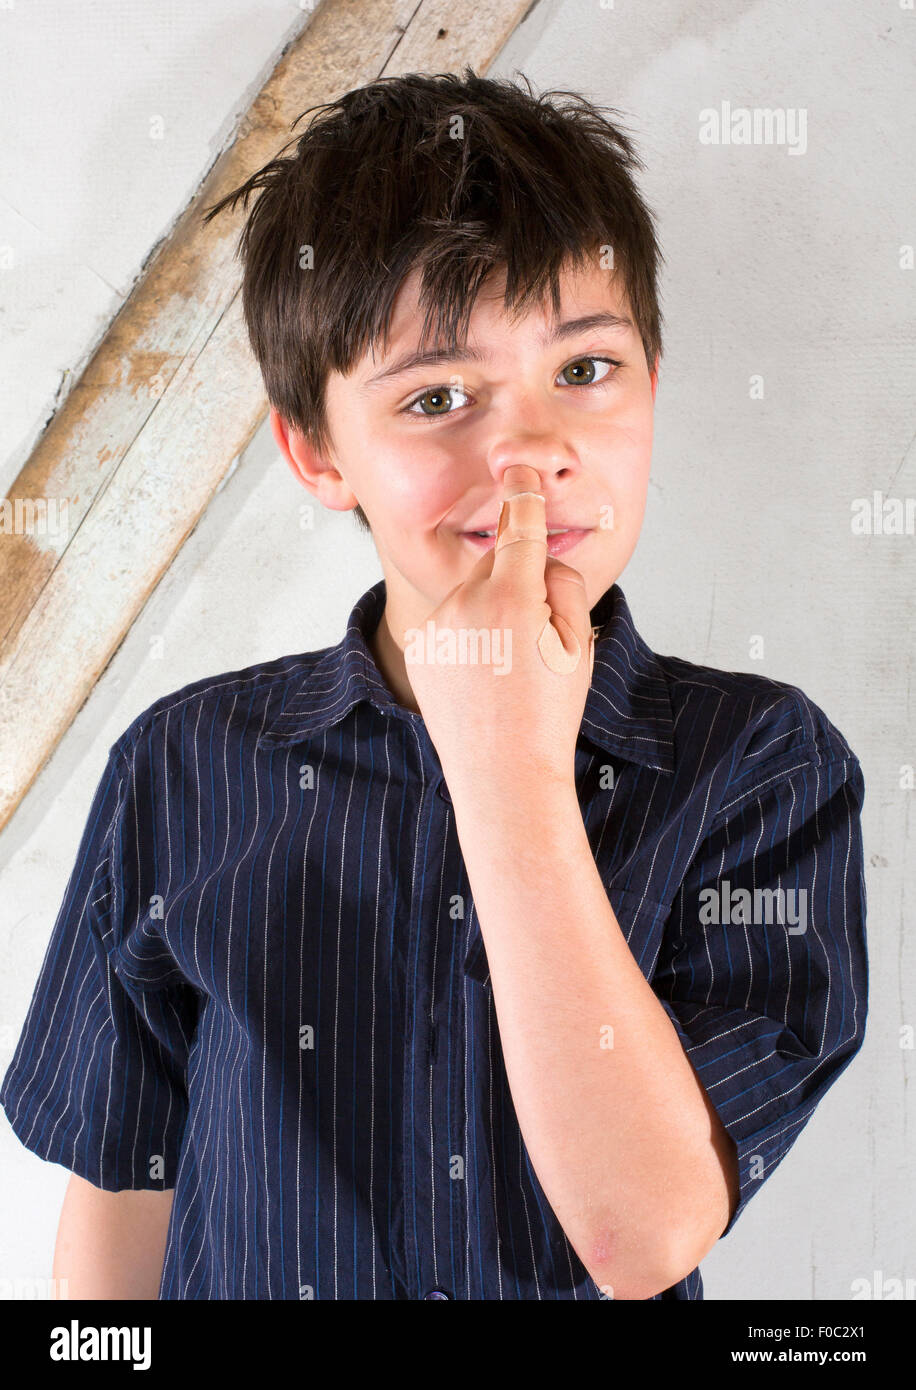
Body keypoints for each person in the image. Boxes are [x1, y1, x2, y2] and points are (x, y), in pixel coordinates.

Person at [1, 68, 867, 1300]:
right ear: (314, 449)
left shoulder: (758, 762)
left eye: (585, 369)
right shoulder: (186, 761)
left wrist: (509, 767)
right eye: (438, 396)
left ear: (654, 385)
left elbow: (647, 1233)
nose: (530, 451)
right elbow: (124, 1198)